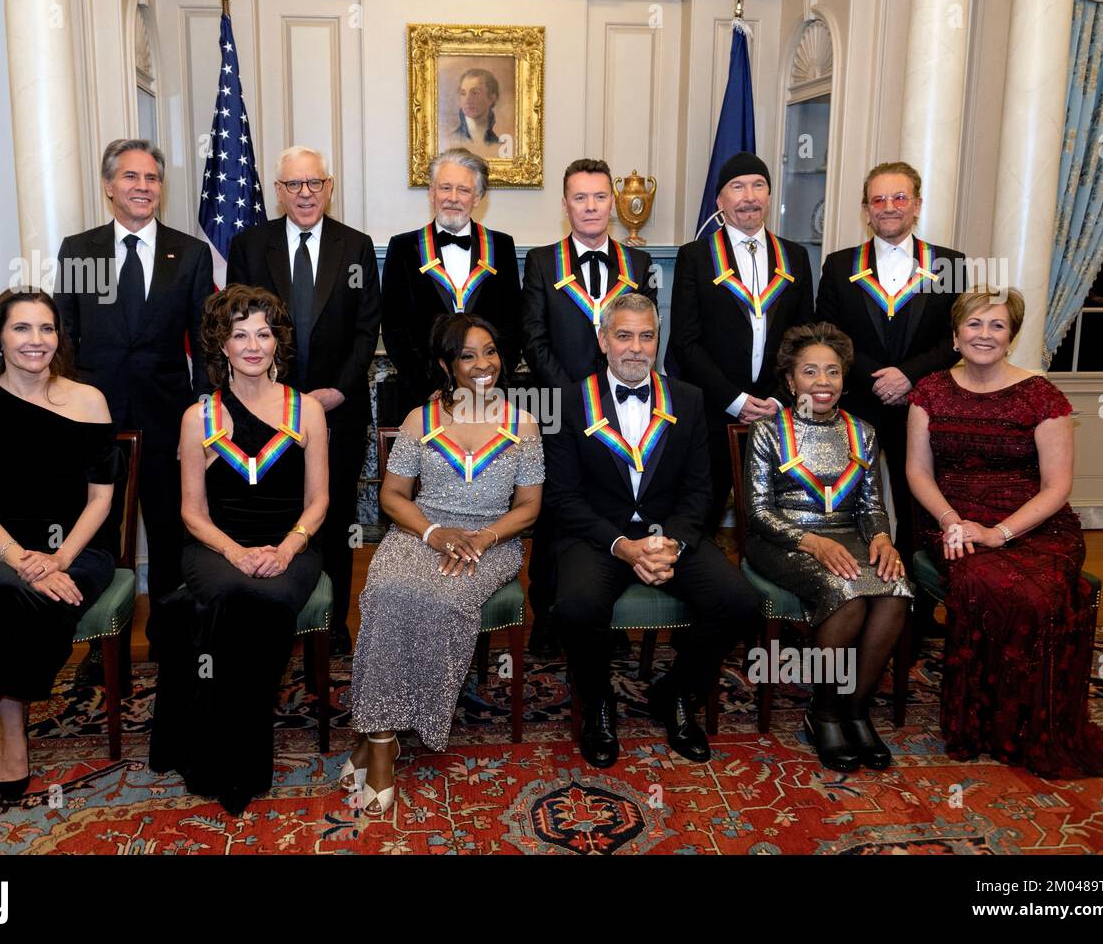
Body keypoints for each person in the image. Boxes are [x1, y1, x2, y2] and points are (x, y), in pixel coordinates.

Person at [906, 288, 1103, 778]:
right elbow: (919, 473)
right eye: (975, 325)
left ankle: (1033, 724)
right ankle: (981, 721)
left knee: (1040, 596)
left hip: (1036, 524)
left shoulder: (1042, 395)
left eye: (997, 326)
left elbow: (1058, 487)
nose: (984, 335)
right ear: (956, 334)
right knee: (983, 584)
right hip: (954, 519)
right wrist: (951, 522)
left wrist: (1000, 533)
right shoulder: (929, 390)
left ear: (1011, 337)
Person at [546, 293, 762, 769]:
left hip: (670, 535)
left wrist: (672, 543)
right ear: (603, 340)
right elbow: (564, 500)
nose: (636, 348)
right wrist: (623, 546)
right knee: (576, 608)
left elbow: (699, 491)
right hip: (599, 537)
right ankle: (599, 704)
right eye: (624, 335)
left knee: (739, 602)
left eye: (647, 336)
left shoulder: (687, 398)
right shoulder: (568, 401)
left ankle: (679, 693)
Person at [347, 314, 543, 816]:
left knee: (442, 597)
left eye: (491, 351)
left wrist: (481, 537)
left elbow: (528, 508)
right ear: (446, 365)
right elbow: (393, 498)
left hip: (492, 541)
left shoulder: (524, 422)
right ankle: (383, 735)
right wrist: (436, 534)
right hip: (421, 531)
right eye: (468, 356)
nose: (484, 365)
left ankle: (379, 733)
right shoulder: (420, 420)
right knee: (386, 591)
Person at [0, 289, 123, 802]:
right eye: (22, 328)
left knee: (41, 594)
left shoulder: (89, 400)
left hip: (81, 549)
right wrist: (22, 560)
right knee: (5, 593)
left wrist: (59, 558)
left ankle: (4, 727)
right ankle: (14, 731)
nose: (36, 340)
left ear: (58, 337)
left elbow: (101, 501)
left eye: (46, 328)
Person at [150, 285, 329, 815]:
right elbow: (190, 512)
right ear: (220, 346)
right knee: (235, 596)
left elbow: (319, 503)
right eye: (239, 335)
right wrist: (234, 552)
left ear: (278, 343)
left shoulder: (307, 412)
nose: (253, 345)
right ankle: (233, 755)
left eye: (264, 334)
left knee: (265, 602)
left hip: (292, 545)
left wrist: (286, 549)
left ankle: (231, 755)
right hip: (214, 546)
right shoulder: (197, 417)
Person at [54, 139, 213, 677]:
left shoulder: (188, 253)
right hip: (96, 423)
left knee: (171, 529)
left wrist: (203, 416)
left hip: (169, 419)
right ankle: (102, 642)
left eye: (151, 178)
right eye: (130, 177)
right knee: (100, 531)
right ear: (108, 186)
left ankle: (170, 638)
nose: (142, 186)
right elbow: (68, 337)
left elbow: (204, 341)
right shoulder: (82, 251)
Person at [226, 145, 381, 655]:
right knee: (276, 509)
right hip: (264, 409)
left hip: (340, 406)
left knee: (332, 515)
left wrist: (335, 391)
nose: (306, 193)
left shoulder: (356, 247)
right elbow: (239, 326)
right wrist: (280, 397)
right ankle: (277, 614)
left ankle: (333, 621)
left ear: (329, 187)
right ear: (278, 192)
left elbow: (366, 330)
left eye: (315, 183)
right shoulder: (251, 245)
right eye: (294, 185)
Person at [743, 323, 912, 771]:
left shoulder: (864, 432)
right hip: (782, 539)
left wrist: (881, 538)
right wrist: (811, 542)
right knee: (848, 596)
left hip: (849, 539)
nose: (822, 382)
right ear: (791, 380)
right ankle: (823, 712)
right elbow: (757, 512)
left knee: (896, 592)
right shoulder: (768, 431)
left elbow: (873, 507)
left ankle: (855, 710)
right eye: (811, 372)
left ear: (844, 379)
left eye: (832, 372)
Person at [520, 156, 655, 656]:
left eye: (600, 197)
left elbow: (640, 339)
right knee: (554, 509)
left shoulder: (637, 264)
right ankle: (548, 617)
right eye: (581, 197)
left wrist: (608, 397)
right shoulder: (541, 261)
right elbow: (532, 340)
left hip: (622, 408)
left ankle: (607, 614)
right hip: (558, 405)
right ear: (565, 204)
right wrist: (578, 398)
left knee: (614, 504)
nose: (592, 206)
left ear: (612, 204)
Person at [815, 162, 965, 570]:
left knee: (915, 502)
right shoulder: (839, 264)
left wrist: (908, 375)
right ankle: (853, 584)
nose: (889, 207)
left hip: (921, 406)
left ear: (916, 205)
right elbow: (827, 333)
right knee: (847, 500)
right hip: (857, 403)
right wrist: (874, 375)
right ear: (866, 210)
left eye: (899, 198)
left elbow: (954, 341)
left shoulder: (950, 264)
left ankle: (913, 596)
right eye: (878, 199)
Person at [669, 151, 814, 533]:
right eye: (737, 187)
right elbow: (685, 342)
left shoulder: (796, 257)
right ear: (720, 201)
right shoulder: (695, 257)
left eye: (758, 185)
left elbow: (805, 341)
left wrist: (778, 398)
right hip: (714, 411)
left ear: (768, 195)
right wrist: (735, 401)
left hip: (777, 411)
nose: (749, 196)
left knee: (777, 520)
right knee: (703, 517)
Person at [382, 148, 523, 423]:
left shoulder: (502, 246)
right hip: (425, 397)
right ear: (431, 193)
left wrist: (489, 382)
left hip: (489, 396)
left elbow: (513, 324)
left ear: (478, 198)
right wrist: (431, 387)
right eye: (445, 188)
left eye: (464, 190)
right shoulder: (403, 248)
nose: (453, 198)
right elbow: (395, 328)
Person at [445, 68, 501, 154]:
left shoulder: (497, 142)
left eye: (475, 93)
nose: (467, 100)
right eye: (463, 93)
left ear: (491, 98)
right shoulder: (452, 140)